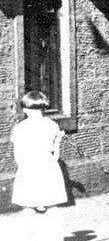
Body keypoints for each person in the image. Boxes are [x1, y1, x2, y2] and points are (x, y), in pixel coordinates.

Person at [10, 90, 69, 221]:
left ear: (25, 109)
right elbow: (55, 157)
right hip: (48, 168)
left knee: (28, 208)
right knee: (52, 206)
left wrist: (25, 167)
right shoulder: (52, 125)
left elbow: (17, 157)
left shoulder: (19, 128)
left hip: (28, 169)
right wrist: (59, 139)